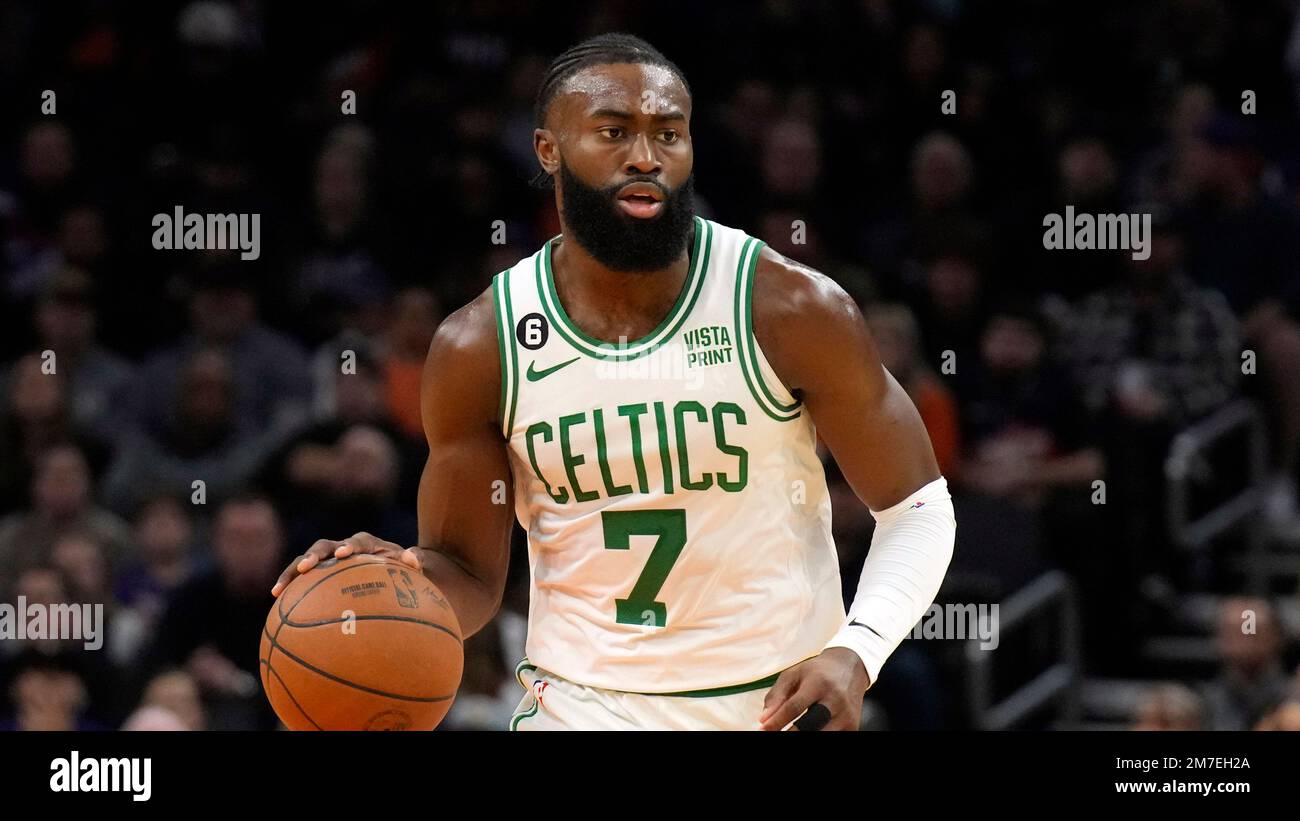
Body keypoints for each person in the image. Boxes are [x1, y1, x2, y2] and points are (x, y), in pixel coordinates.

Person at [273, 33, 956, 731]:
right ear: (548, 150)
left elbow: (919, 509)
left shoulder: (786, 307)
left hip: (772, 707)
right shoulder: (482, 345)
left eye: (670, 133)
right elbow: (470, 574)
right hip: (579, 708)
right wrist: (402, 579)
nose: (646, 156)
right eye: (614, 131)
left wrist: (858, 650)